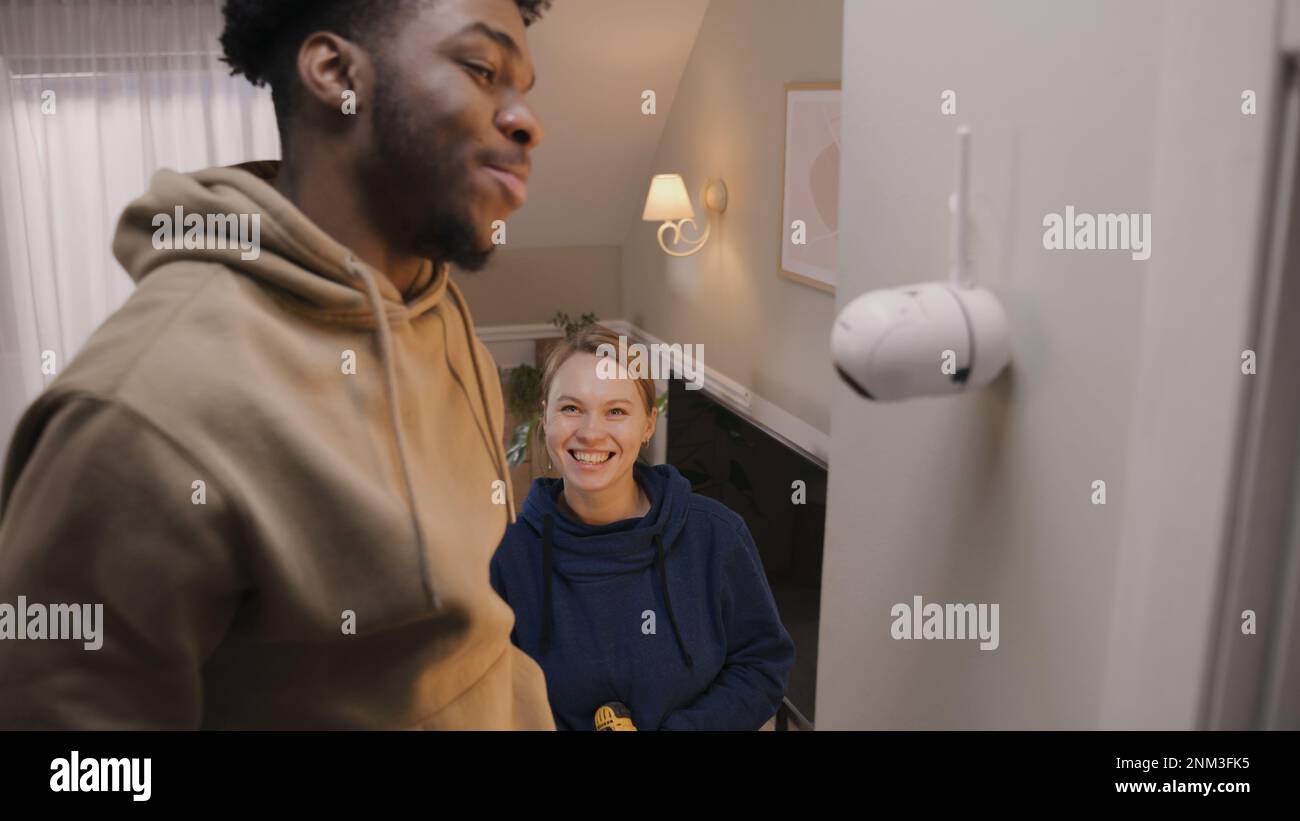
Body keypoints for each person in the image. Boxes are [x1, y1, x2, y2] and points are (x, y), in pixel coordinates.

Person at [0, 0, 554, 729]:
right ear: (333, 72)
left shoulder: (434, 307)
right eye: (481, 69)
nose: (526, 121)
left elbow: (469, 640)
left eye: (522, 87)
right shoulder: (138, 412)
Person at [490, 324, 796, 730]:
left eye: (615, 411)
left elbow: (761, 665)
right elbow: (489, 694)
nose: (590, 432)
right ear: (544, 416)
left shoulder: (717, 537)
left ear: (648, 424)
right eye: (570, 408)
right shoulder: (506, 554)